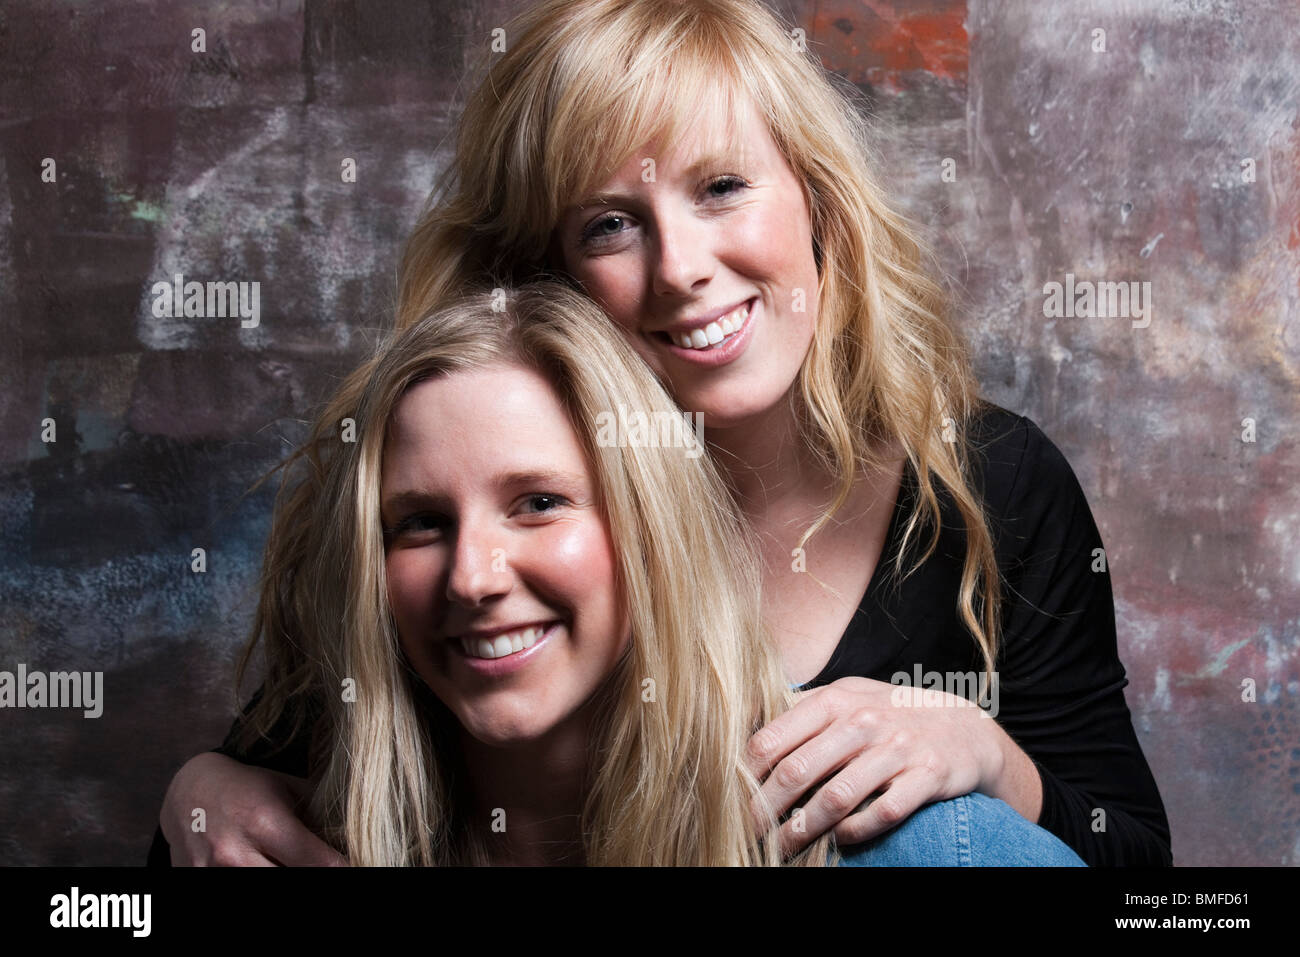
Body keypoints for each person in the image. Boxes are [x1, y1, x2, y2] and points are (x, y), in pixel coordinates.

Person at [155, 0, 1170, 866]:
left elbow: (1135, 863)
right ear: (543, 277)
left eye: (722, 186)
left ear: (813, 198)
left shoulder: (989, 481)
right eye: (608, 223)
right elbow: (323, 742)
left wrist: (989, 758)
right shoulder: (481, 491)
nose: (680, 266)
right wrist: (201, 790)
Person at [156, 282, 1082, 865]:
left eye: (540, 503)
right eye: (421, 523)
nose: (472, 576)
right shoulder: (282, 836)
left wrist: (997, 757)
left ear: (653, 531)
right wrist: (191, 796)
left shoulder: (933, 847)